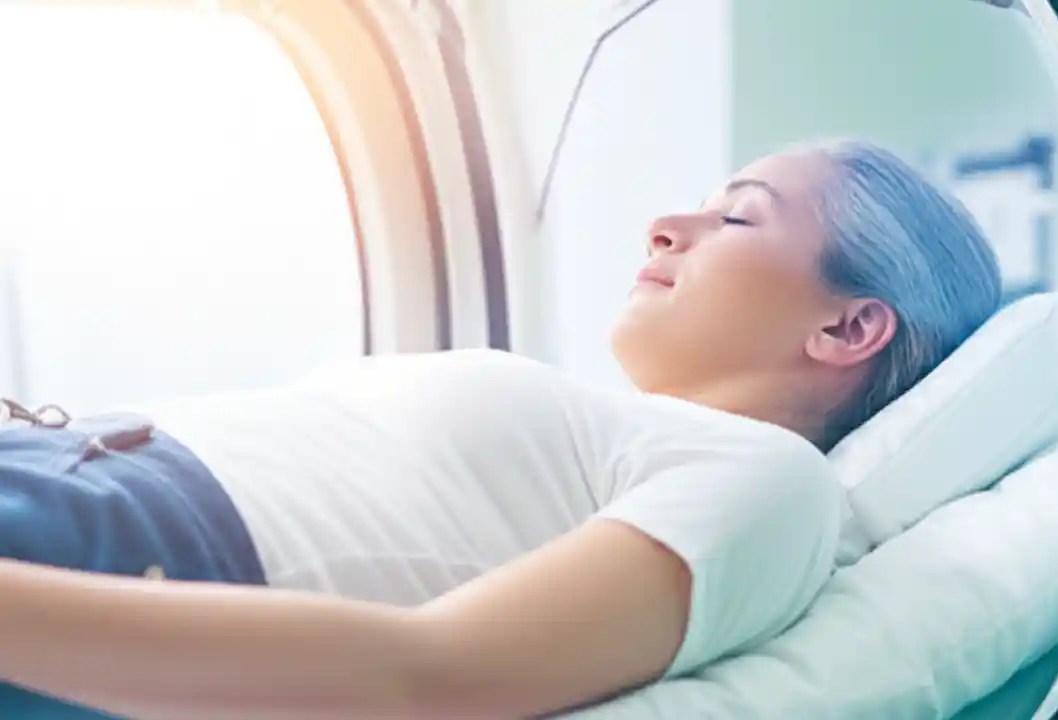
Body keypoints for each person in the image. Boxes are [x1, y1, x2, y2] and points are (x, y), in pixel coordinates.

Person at [0, 140, 1000, 719]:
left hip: (107, 563)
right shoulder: (609, 424)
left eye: (736, 219)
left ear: (848, 325)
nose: (663, 226)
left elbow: (439, 672)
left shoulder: (775, 486)